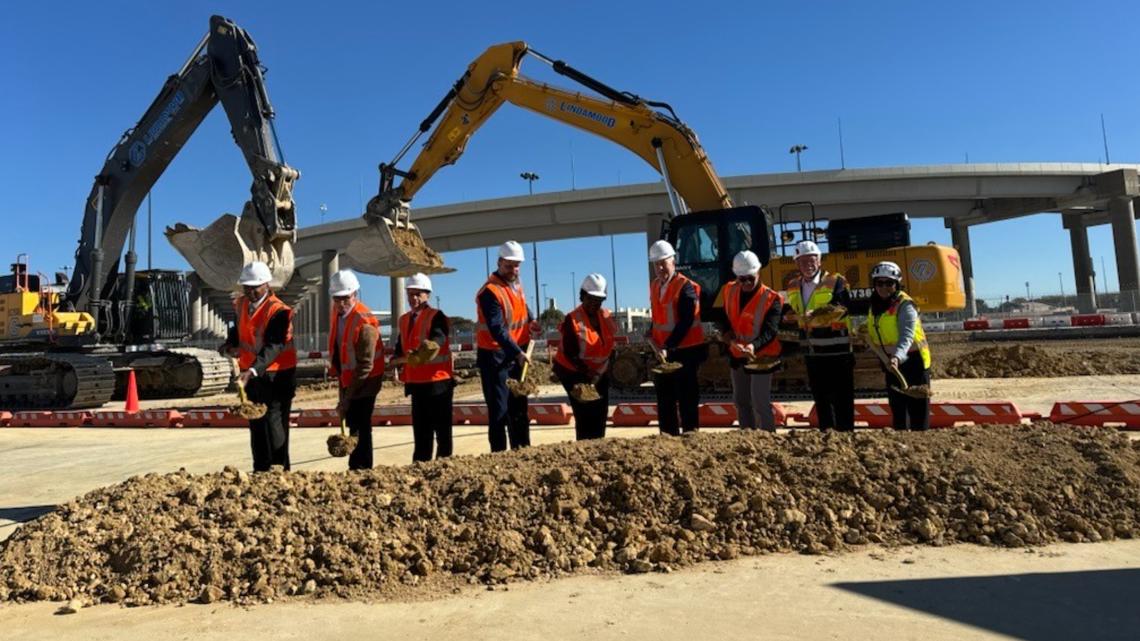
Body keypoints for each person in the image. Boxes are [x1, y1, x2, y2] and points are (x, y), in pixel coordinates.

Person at [220, 261, 297, 471]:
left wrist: (252, 370)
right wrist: (231, 343)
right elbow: (240, 328)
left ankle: (279, 469)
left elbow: (274, 346)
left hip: (277, 376)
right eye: (247, 287)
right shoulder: (243, 304)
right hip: (253, 375)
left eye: (255, 287)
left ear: (266, 285)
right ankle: (260, 469)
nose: (250, 291)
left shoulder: (279, 311)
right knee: (256, 424)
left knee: (274, 423)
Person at [781, 240, 855, 431]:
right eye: (803, 261)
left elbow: (842, 309)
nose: (808, 265)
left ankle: (846, 436)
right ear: (797, 264)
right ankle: (828, 437)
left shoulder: (836, 281)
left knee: (843, 399)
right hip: (813, 352)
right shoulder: (792, 286)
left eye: (811, 260)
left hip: (838, 351)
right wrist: (789, 316)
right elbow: (789, 310)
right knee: (821, 398)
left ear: (820, 261)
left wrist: (814, 315)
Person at [476, 240, 542, 452]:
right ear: (499, 262)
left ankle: (522, 452)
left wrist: (531, 320)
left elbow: (521, 305)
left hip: (515, 354)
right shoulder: (490, 292)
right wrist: (518, 353)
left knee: (519, 409)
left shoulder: (515, 284)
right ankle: (499, 457)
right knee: (499, 412)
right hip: (495, 357)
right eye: (509, 265)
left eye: (516, 265)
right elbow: (497, 329)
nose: (513, 269)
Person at [714, 250, 782, 432]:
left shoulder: (771, 298)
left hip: (762, 357)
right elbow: (721, 317)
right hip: (737, 355)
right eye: (741, 279)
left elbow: (770, 330)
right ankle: (747, 438)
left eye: (750, 279)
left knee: (760, 401)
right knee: (741, 400)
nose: (745, 283)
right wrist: (726, 334)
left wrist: (753, 346)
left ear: (758, 273)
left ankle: (767, 439)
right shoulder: (729, 289)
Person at [646, 239, 707, 435]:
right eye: (656, 264)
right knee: (665, 398)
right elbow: (660, 316)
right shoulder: (655, 286)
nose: (660, 267)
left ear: (673, 261)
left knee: (687, 397)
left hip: (686, 350)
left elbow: (686, 320)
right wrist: (651, 331)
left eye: (663, 262)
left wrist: (669, 345)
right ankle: (668, 436)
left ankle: (690, 435)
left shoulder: (686, 287)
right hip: (664, 351)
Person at [326, 269, 384, 469]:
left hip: (365, 382)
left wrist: (348, 396)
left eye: (345, 299)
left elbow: (365, 366)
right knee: (352, 422)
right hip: (348, 379)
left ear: (355, 295)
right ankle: (356, 466)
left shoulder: (364, 321)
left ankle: (362, 468)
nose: (341, 304)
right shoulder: (338, 314)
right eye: (337, 299)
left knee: (360, 426)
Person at [394, 273, 455, 461]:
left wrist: (424, 351)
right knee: (421, 431)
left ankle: (443, 465)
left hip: (438, 382)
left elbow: (438, 340)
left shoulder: (436, 316)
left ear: (427, 295)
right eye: (410, 294)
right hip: (416, 383)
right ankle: (420, 465)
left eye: (418, 294)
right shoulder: (404, 320)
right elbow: (400, 345)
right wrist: (397, 361)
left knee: (442, 431)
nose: (413, 298)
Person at [865, 261, 932, 430]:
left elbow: (907, 336)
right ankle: (901, 446)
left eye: (889, 283)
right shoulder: (875, 306)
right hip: (890, 364)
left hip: (912, 362)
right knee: (898, 409)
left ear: (897, 284)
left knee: (917, 410)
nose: (884, 287)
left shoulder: (905, 305)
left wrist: (897, 357)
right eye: (879, 283)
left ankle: (920, 443)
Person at [553, 273, 618, 440]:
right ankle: (584, 445)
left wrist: (600, 373)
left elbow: (610, 346)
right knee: (585, 410)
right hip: (572, 370)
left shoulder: (606, 317)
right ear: (583, 296)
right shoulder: (572, 319)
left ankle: (598, 444)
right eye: (591, 299)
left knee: (600, 409)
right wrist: (587, 376)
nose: (594, 304)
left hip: (598, 371)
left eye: (598, 300)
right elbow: (571, 353)